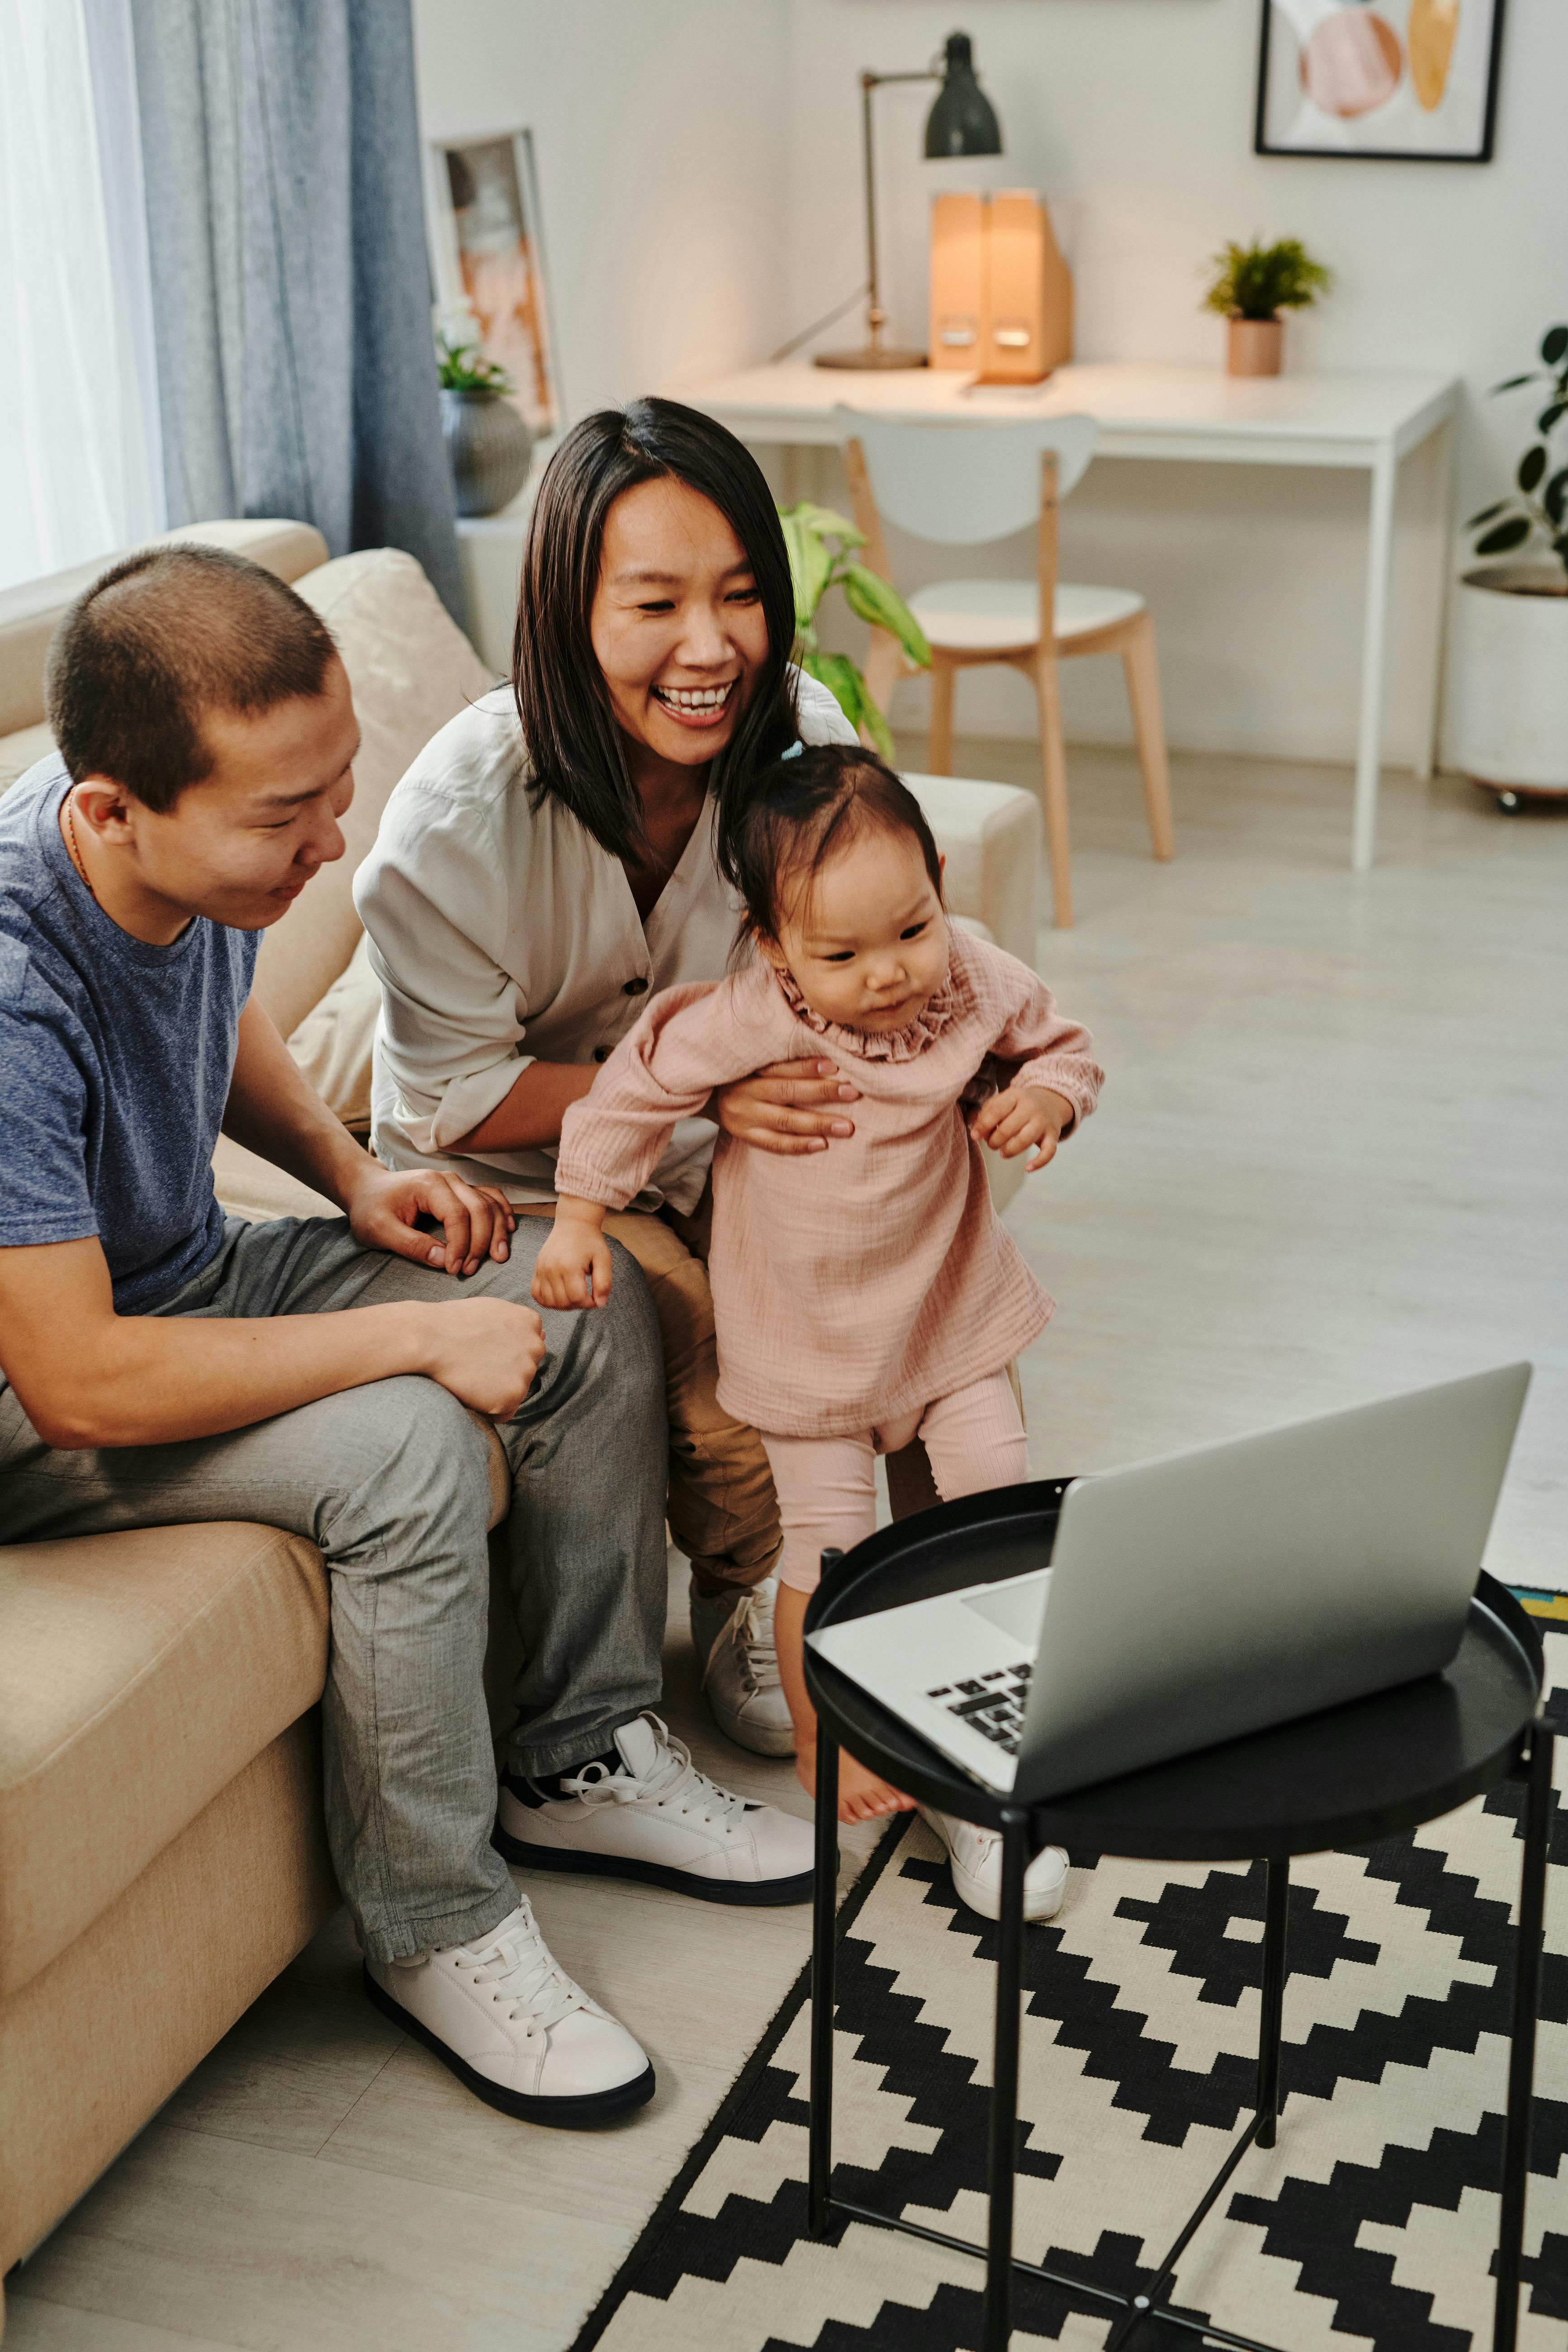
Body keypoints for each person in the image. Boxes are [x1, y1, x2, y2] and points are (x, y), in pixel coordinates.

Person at [0, 545, 811, 2134]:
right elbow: (80, 1379)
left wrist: (359, 1178)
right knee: (408, 1444)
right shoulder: (8, 990)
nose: (330, 846)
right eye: (283, 821)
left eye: (337, 793)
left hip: (187, 1274)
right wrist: (418, 1341)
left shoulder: (171, 845)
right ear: (109, 808)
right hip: (39, 1402)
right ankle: (436, 1922)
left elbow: (213, 1008)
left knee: (583, 1306)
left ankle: (580, 1756)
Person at [355, 398, 870, 1765]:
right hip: (505, 1172)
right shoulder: (458, 819)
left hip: (721, 1134)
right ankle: (747, 1592)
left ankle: (900, 1601)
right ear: (568, 613)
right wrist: (692, 1099)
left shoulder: (800, 748)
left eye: (742, 597)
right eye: (654, 605)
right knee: (694, 1312)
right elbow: (459, 1096)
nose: (710, 648)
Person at [532, 744, 1104, 1925]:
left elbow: (1061, 1042)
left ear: (939, 884)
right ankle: (823, 1736)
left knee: (998, 1495)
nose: (886, 977)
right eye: (839, 956)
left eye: (910, 931)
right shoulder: (746, 1014)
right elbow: (631, 1092)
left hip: (944, 1307)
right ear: (770, 937)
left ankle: (987, 1713)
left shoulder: (973, 980)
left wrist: (1045, 1097)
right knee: (829, 1551)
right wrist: (580, 1218)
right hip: (805, 1346)